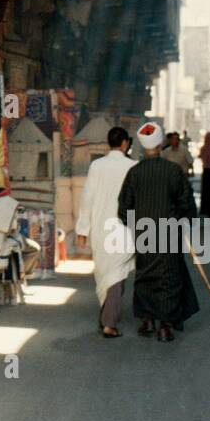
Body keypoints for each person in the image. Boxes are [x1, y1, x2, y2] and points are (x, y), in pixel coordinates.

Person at [117, 120, 199, 343]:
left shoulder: (134, 173)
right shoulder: (173, 171)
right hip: (169, 233)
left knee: (144, 275)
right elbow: (186, 203)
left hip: (143, 233)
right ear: (161, 142)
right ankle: (165, 326)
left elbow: (124, 207)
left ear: (143, 146)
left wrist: (135, 226)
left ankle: (146, 320)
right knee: (168, 277)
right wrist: (183, 222)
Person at [75, 126, 136, 339]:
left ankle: (106, 317)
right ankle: (109, 323)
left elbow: (87, 198)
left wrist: (83, 229)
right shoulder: (133, 166)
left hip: (101, 228)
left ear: (108, 143)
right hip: (123, 228)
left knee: (106, 274)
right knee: (116, 273)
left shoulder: (97, 166)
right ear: (125, 143)